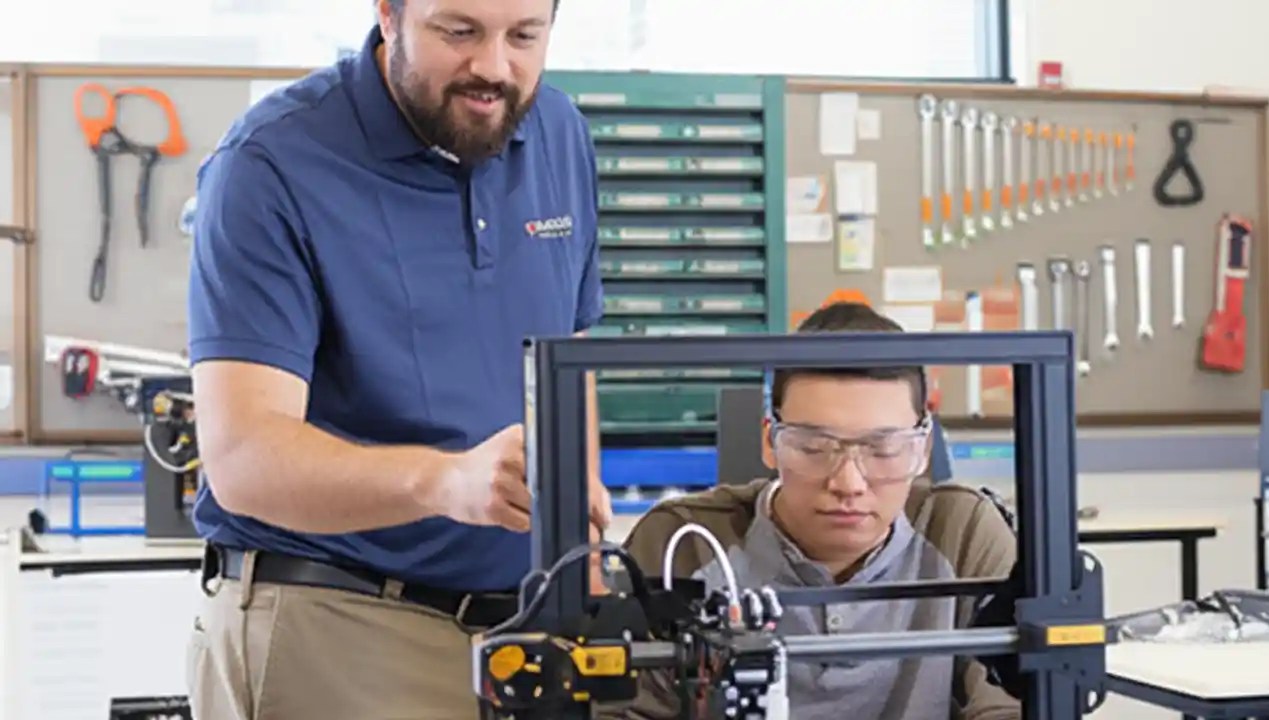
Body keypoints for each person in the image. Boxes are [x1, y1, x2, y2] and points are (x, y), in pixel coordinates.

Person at [183, 1, 612, 718]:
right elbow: (243, 462)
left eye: (524, 37)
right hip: (337, 619)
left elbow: (570, 358)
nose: (494, 68)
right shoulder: (271, 163)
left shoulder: (558, 132)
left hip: (529, 634)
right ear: (389, 13)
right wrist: (447, 482)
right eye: (459, 31)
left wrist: (582, 551)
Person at [604, 302, 1020, 719]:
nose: (848, 483)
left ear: (923, 449)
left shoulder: (963, 536)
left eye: (883, 449)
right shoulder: (683, 544)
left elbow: (1018, 706)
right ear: (771, 442)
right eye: (815, 448)